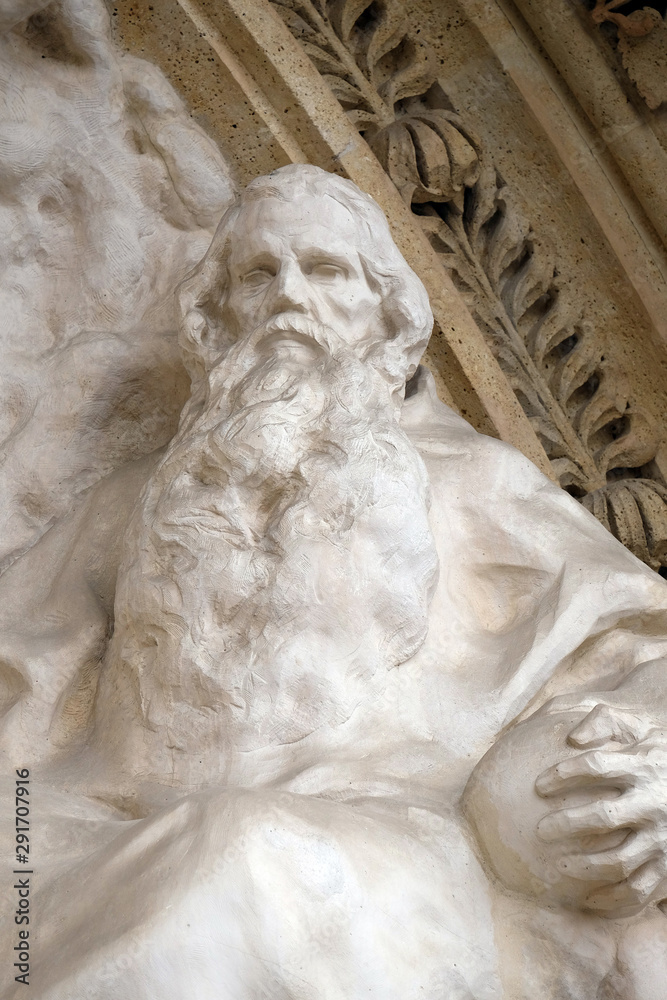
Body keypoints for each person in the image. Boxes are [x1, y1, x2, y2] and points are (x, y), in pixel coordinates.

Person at [3, 165, 667, 999]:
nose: (287, 295)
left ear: (384, 317)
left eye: (323, 270)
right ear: (216, 320)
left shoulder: (470, 483)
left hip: (367, 837)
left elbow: (641, 643)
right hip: (86, 830)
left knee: (240, 861)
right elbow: (16, 658)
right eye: (258, 273)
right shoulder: (134, 502)